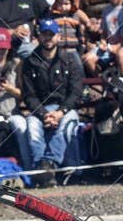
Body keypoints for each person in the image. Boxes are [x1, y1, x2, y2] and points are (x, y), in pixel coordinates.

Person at [19, 19, 87, 178]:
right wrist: (44, 114)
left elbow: (76, 92)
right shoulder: (30, 62)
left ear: (58, 37)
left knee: (65, 125)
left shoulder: (70, 59)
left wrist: (60, 112)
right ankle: (39, 167)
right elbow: (29, 95)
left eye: (51, 35)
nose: (48, 38)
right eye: (44, 34)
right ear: (39, 36)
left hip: (65, 108)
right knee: (32, 127)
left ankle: (49, 164)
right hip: (41, 109)